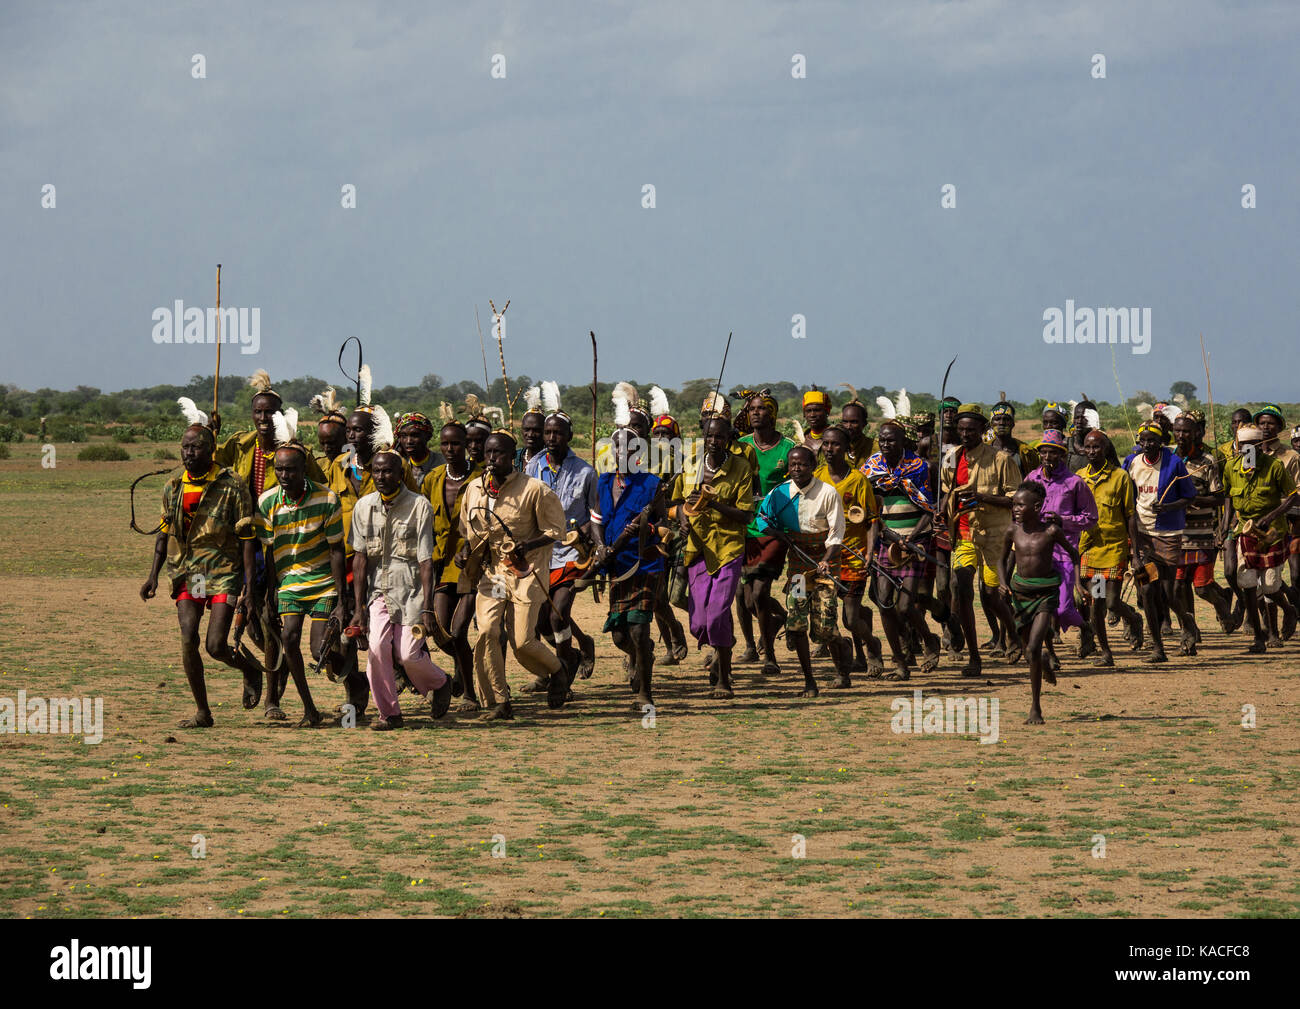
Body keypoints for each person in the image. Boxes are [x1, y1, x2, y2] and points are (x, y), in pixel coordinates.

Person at [140, 409, 264, 727]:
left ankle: (249, 669)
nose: (189, 453)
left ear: (210, 449)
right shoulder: (173, 488)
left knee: (215, 645)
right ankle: (202, 711)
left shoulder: (232, 485)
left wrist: (250, 585)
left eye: (195, 447)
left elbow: (248, 539)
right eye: (185, 447)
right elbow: (164, 533)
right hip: (191, 572)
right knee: (187, 637)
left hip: (224, 571)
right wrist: (153, 575)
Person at [458, 431, 570, 719]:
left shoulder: (535, 489)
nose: (492, 459)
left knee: (522, 642)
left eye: (500, 454)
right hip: (492, 574)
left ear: (513, 457)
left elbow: (557, 531)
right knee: (487, 632)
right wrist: (464, 552)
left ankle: (558, 670)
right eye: (488, 453)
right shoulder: (474, 490)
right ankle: (499, 702)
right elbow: (465, 531)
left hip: (526, 573)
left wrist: (528, 545)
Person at [349, 436, 453, 731]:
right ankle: (389, 713)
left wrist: (428, 608)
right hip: (378, 590)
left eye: (388, 471)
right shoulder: (363, 507)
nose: (382, 477)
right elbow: (358, 559)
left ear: (400, 473)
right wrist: (358, 608)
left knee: (407, 654)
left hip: (412, 591)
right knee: (377, 648)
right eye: (377, 471)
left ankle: (441, 682)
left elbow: (425, 561)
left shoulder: (419, 506)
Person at [255, 411, 347, 727]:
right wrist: (269, 592)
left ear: (303, 469)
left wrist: (343, 601)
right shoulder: (267, 502)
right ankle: (309, 708)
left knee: (319, 649)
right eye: (279, 469)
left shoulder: (326, 499)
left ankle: (350, 671)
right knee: (289, 640)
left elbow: (337, 550)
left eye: (291, 470)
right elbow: (268, 552)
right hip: (289, 584)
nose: (284, 475)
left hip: (323, 582)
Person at [671, 416, 754, 700]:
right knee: (698, 623)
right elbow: (673, 504)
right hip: (697, 548)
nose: (714, 442)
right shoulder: (691, 464)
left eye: (720, 437)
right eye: (709, 436)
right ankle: (725, 644)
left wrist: (712, 501)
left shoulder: (740, 468)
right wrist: (683, 516)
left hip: (728, 548)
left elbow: (745, 515)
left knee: (718, 613)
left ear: (729, 438)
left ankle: (724, 680)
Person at [755, 445, 849, 696]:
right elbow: (761, 519)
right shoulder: (779, 493)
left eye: (803, 464)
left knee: (825, 627)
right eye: (793, 464)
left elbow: (837, 533)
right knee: (796, 623)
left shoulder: (828, 493)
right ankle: (809, 681)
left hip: (825, 564)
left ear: (813, 465)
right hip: (797, 566)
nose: (797, 468)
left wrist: (827, 560)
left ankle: (842, 663)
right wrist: (778, 535)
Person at [525, 387, 600, 690]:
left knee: (558, 616)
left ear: (569, 436)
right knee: (542, 621)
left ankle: (561, 676)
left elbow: (595, 513)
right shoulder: (533, 467)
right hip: (541, 553)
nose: (552, 438)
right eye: (548, 433)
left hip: (573, 555)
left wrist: (583, 535)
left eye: (558, 433)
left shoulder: (585, 472)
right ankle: (580, 646)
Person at [941, 404, 1021, 677]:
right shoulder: (950, 458)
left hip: (995, 536)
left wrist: (982, 497)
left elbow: (1015, 500)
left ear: (982, 431)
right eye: (961, 429)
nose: (965, 434)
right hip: (963, 534)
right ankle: (974, 656)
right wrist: (942, 511)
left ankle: (1012, 631)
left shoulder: (1001, 460)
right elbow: (946, 492)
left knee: (992, 597)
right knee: (960, 586)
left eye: (971, 430)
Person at [594, 428, 667, 708]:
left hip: (646, 563)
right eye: (618, 448)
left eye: (630, 448)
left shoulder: (652, 484)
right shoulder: (603, 481)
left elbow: (665, 525)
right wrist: (601, 547)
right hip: (616, 566)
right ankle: (641, 654)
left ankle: (645, 694)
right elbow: (596, 520)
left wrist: (646, 527)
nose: (623, 453)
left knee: (638, 629)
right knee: (620, 636)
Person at [998, 483, 1080, 725]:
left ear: (1036, 506)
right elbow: (1001, 560)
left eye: (1020, 505)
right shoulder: (1012, 531)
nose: (1016, 509)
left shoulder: (1051, 532)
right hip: (1021, 595)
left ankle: (1035, 707)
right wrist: (1003, 582)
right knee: (1029, 652)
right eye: (1014, 505)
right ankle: (1043, 662)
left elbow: (1074, 555)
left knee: (1033, 648)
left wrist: (1078, 584)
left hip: (1046, 594)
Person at [863, 420, 938, 681]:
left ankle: (929, 640)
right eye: (882, 440)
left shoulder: (920, 467)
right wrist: (884, 536)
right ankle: (899, 662)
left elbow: (930, 510)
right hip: (886, 539)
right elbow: (871, 510)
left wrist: (912, 537)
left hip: (916, 540)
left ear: (903, 440)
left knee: (905, 605)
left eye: (891, 440)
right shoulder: (872, 467)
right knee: (883, 602)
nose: (886, 445)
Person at [420, 418, 484, 711]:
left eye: (456, 443)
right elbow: (424, 525)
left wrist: (473, 547)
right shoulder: (433, 479)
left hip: (474, 566)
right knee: (439, 631)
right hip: (441, 565)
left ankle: (470, 692)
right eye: (445, 443)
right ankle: (460, 669)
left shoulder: (482, 478)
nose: (450, 449)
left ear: (468, 445)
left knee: (458, 632)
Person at [1123, 422, 1198, 662]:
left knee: (1167, 593)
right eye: (1143, 440)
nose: (1147, 445)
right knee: (1146, 590)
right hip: (1142, 538)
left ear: (1161, 441)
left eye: (1152, 441)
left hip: (1167, 535)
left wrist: (1168, 507)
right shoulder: (1132, 462)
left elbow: (1190, 496)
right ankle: (1158, 648)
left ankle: (1188, 623)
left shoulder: (1174, 463)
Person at [1220, 423, 1299, 653]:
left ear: (1260, 445)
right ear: (1238, 446)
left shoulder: (1274, 466)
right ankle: (1258, 638)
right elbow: (1226, 496)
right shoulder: (1231, 468)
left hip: (1272, 533)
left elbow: (1293, 496)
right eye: (1243, 445)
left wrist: (1271, 515)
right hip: (1246, 533)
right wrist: (1226, 525)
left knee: (1272, 585)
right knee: (1247, 585)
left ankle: (1289, 609)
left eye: (1252, 445)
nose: (1247, 450)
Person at [1023, 429, 1099, 665]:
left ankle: (1086, 628)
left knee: (1063, 609)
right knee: (1040, 610)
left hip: (1065, 553)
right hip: (1036, 553)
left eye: (1053, 453)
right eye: (1044, 452)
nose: (1048, 457)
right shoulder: (1031, 480)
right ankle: (1051, 655)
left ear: (1062, 455)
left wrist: (1063, 521)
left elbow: (1091, 518)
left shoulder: (1074, 483)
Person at [815, 426, 884, 675]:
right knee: (828, 616)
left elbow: (871, 520)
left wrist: (870, 552)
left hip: (854, 556)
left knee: (851, 619)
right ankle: (850, 661)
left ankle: (873, 644)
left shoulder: (858, 480)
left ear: (846, 449)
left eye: (835, 445)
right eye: (826, 444)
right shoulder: (816, 477)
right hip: (826, 558)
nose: (830, 449)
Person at [738, 390, 795, 676]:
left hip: (774, 528)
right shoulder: (740, 445)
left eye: (762, 409)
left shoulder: (787, 448)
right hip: (744, 526)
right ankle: (778, 618)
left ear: (772, 414)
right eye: (752, 409)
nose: (756, 413)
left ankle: (770, 656)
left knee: (760, 590)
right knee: (746, 598)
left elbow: (796, 487)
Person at [1078, 430, 1145, 665]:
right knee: (1097, 603)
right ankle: (1106, 652)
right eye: (1087, 447)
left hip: (1114, 547)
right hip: (1090, 548)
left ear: (1106, 449)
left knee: (1112, 602)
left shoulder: (1120, 477)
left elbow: (1130, 516)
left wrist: (1134, 554)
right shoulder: (1079, 478)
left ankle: (1134, 618)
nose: (1092, 451)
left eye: (1096, 447)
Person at [1172, 412, 1234, 635]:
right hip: (1176, 533)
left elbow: (1220, 497)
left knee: (1202, 587)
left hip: (1202, 532)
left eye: (1186, 431)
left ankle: (1220, 603)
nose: (1181, 435)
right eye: (1177, 431)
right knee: (1178, 586)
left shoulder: (1208, 461)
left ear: (1196, 433)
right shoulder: (1168, 459)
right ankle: (1190, 629)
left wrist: (1193, 499)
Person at [649, 398, 690, 664]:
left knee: (675, 596)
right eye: (657, 434)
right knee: (656, 597)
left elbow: (687, 501)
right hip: (652, 533)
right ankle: (670, 644)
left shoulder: (686, 465)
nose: (662, 438)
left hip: (679, 534)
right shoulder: (642, 463)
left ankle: (709, 625)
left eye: (667, 434)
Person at [1254, 405, 1300, 615]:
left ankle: (1288, 609)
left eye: (1270, 423)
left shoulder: (1290, 456)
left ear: (1279, 427)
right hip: (1254, 523)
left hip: (1284, 522)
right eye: (1261, 423)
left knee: (1275, 573)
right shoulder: (1249, 455)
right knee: (1253, 575)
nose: (1265, 427)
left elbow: (1297, 492)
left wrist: (1276, 512)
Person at [988, 399, 1040, 477]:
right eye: (997, 419)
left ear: (1013, 423)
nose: (1001, 423)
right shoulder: (983, 450)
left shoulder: (1026, 452)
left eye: (1006, 419)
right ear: (991, 424)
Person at [395, 412, 443, 486]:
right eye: (404, 436)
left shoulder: (443, 464)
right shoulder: (398, 466)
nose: (408, 441)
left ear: (428, 436)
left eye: (415, 435)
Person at [308, 386, 349, 466]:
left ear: (345, 438)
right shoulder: (318, 466)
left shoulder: (354, 467)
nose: (326, 449)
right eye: (322, 443)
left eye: (331, 443)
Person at [516, 390, 546, 471]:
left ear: (544, 432)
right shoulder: (514, 458)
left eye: (536, 430)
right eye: (526, 429)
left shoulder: (551, 460)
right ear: (521, 430)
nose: (530, 434)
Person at [1068, 401, 1099, 472]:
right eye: (1077, 417)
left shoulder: (1103, 444)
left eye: (1084, 418)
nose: (1079, 421)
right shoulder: (1066, 444)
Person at [800, 388, 833, 454]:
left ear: (827, 411)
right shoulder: (801, 439)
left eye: (817, 410)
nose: (812, 415)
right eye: (808, 411)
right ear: (804, 414)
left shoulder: (836, 436)